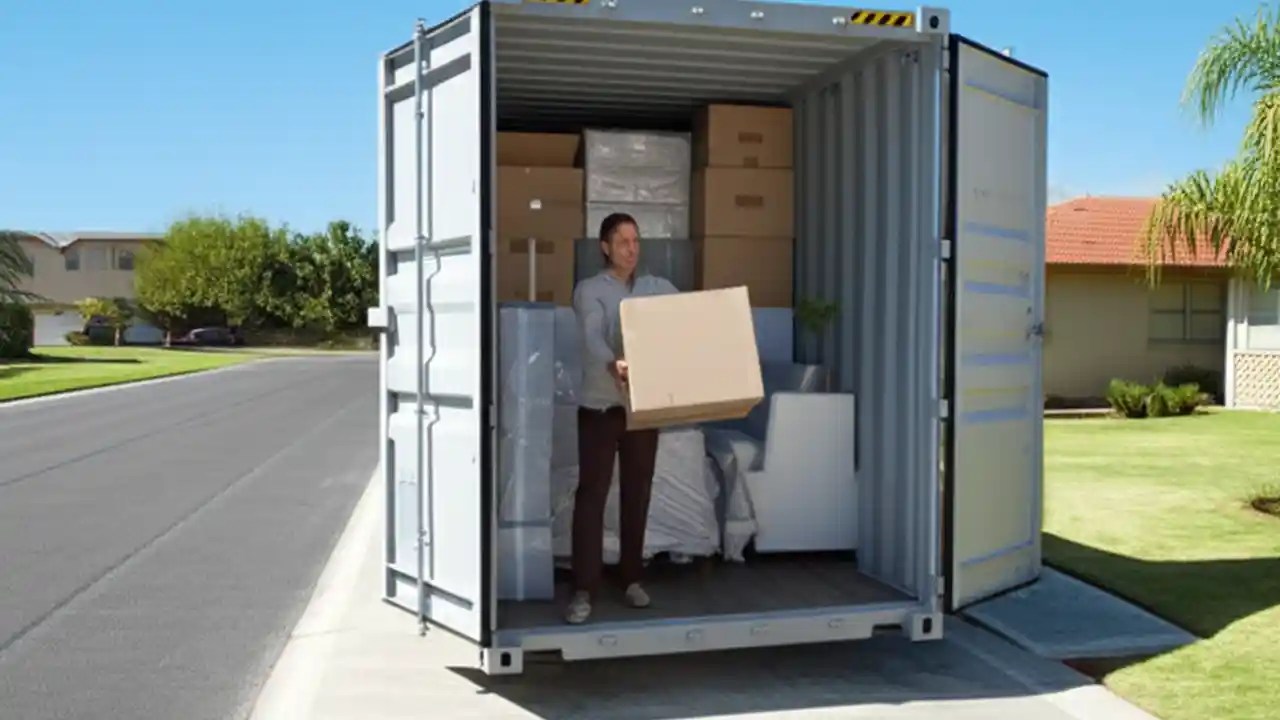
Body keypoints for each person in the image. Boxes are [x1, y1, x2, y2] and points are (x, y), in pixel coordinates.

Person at [566, 212, 678, 625]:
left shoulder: (657, 289)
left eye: (636, 241)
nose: (631, 249)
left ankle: (631, 578)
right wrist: (613, 363)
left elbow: (687, 320)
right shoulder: (590, 290)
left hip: (642, 408)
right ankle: (584, 589)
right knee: (592, 496)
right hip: (600, 407)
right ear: (605, 247)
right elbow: (592, 336)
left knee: (638, 492)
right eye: (622, 242)